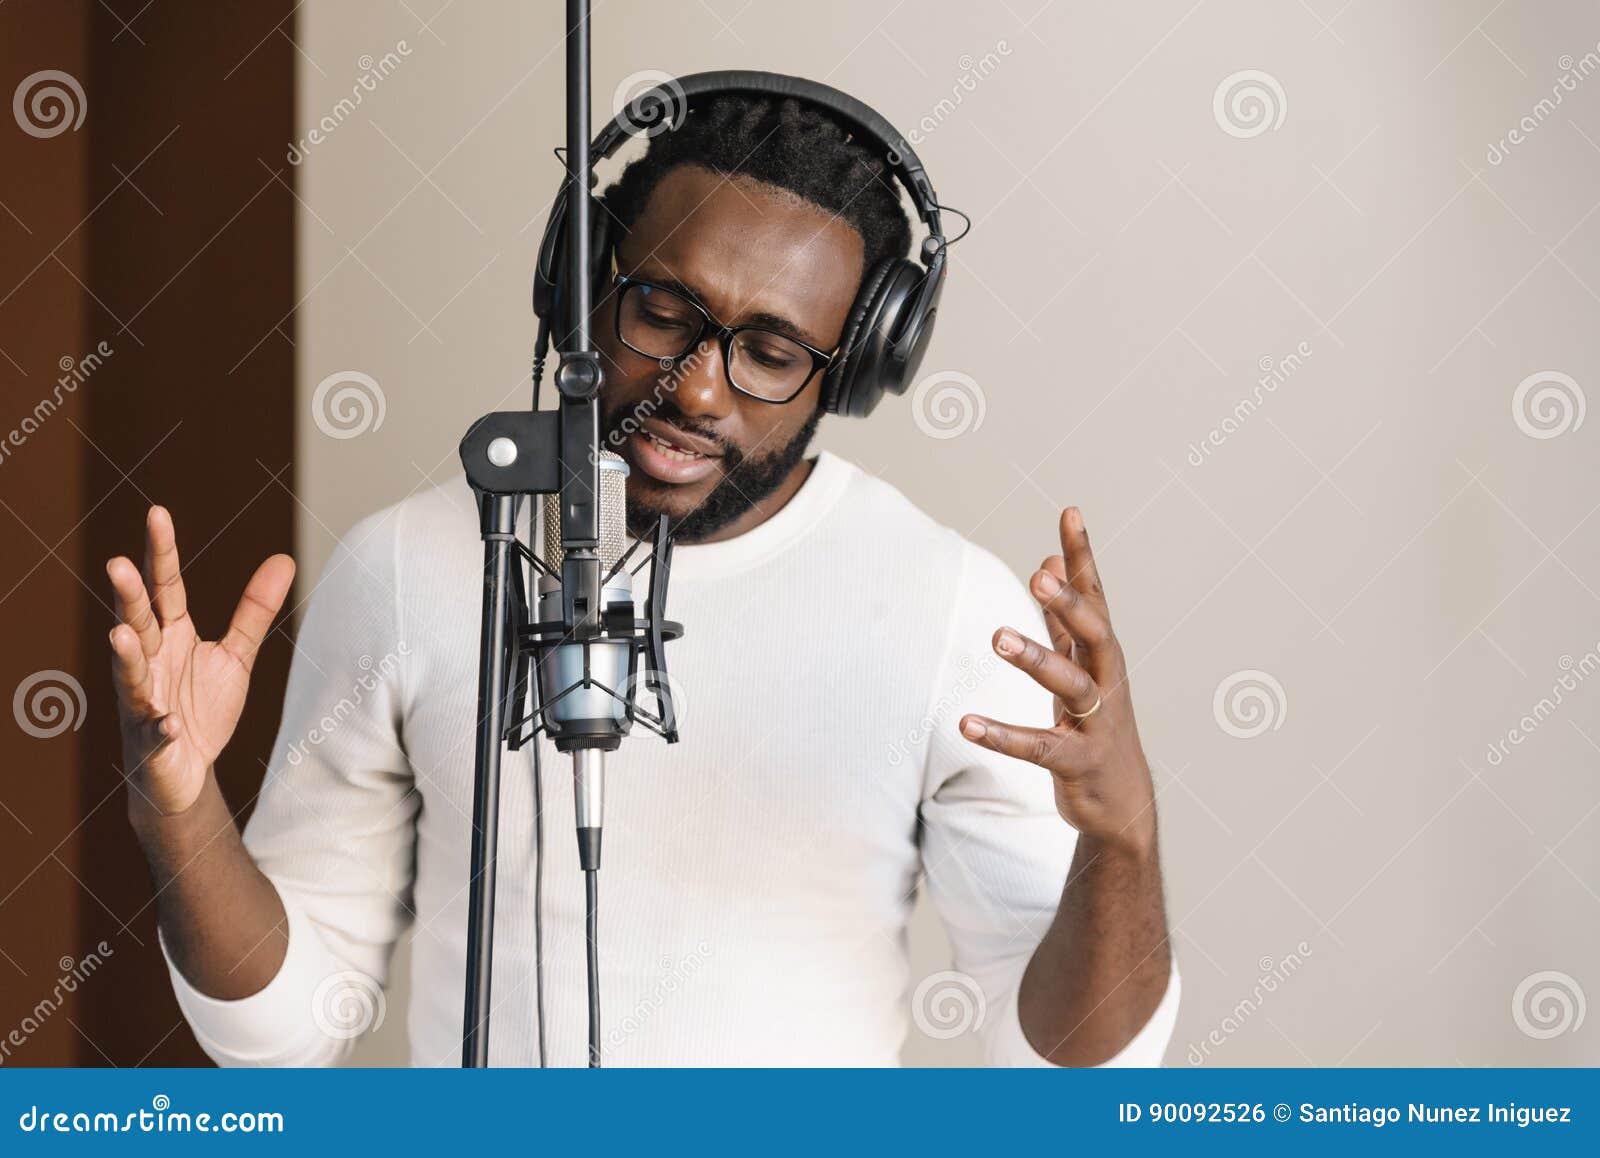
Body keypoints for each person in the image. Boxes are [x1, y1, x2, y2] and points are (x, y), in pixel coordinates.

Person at [107, 91, 1178, 1066]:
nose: (696, 388)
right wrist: (183, 817)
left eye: (769, 352)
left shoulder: (953, 610)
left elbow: (1075, 1067)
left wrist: (1122, 842)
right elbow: (280, 1032)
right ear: (579, 285)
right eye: (664, 311)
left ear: (852, 373)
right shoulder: (404, 568)